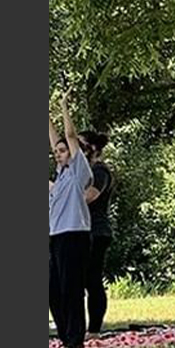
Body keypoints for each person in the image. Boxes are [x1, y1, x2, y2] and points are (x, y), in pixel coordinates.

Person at [49, 96, 92, 348]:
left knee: (72, 288)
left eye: (62, 151)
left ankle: (75, 340)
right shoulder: (60, 177)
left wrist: (63, 107)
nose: (58, 153)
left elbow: (69, 136)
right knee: (54, 288)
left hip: (74, 235)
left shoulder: (78, 173)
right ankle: (65, 335)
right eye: (55, 152)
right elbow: (54, 139)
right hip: (57, 237)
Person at [79, 129, 115, 334]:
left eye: (81, 146)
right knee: (80, 280)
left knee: (92, 281)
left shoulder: (100, 172)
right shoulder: (80, 172)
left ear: (92, 149)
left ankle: (93, 329)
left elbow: (89, 196)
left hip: (97, 231)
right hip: (82, 230)